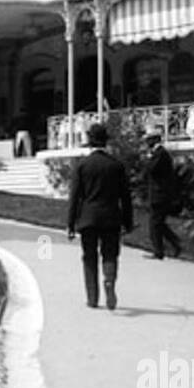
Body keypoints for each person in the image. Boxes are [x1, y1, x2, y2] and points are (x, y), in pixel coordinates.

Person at [67, 122, 135, 310]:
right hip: (111, 217)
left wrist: (71, 224)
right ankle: (109, 281)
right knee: (110, 254)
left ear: (90, 141)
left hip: (88, 217)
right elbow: (125, 197)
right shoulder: (116, 165)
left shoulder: (82, 166)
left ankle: (92, 297)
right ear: (106, 141)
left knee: (89, 256)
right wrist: (128, 222)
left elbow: (74, 197)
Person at [144, 127, 182, 259]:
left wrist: (148, 158)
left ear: (155, 139)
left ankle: (159, 251)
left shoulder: (160, 154)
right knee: (158, 223)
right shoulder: (158, 153)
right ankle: (175, 243)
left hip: (160, 194)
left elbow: (151, 169)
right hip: (157, 193)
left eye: (148, 139)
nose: (146, 142)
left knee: (155, 223)